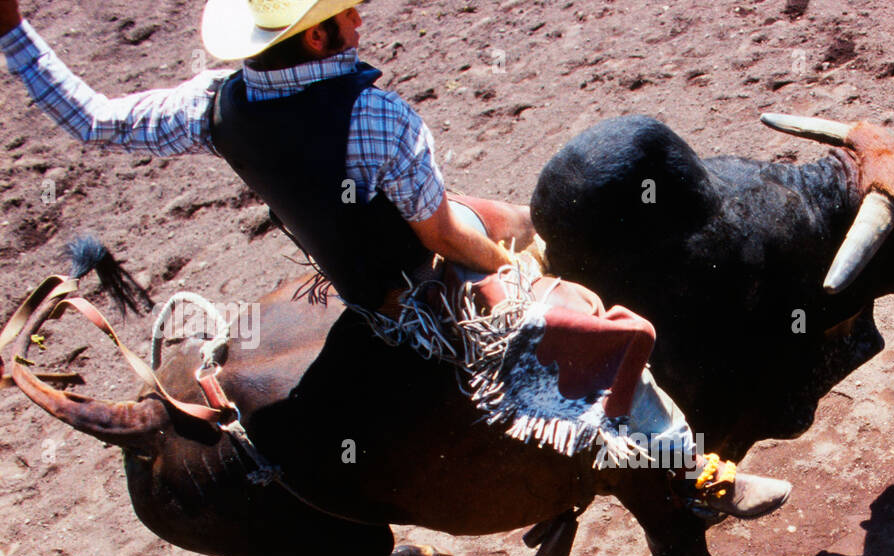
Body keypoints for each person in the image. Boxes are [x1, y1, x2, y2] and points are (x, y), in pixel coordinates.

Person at [0, 0, 792, 519]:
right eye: (342, 12)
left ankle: (563, 504)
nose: (357, 16)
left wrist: (13, 32)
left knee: (513, 213)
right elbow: (445, 237)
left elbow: (97, 119)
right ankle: (697, 475)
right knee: (604, 335)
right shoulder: (375, 115)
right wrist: (513, 268)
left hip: (357, 277)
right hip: (417, 299)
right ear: (316, 35)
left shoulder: (216, 103)